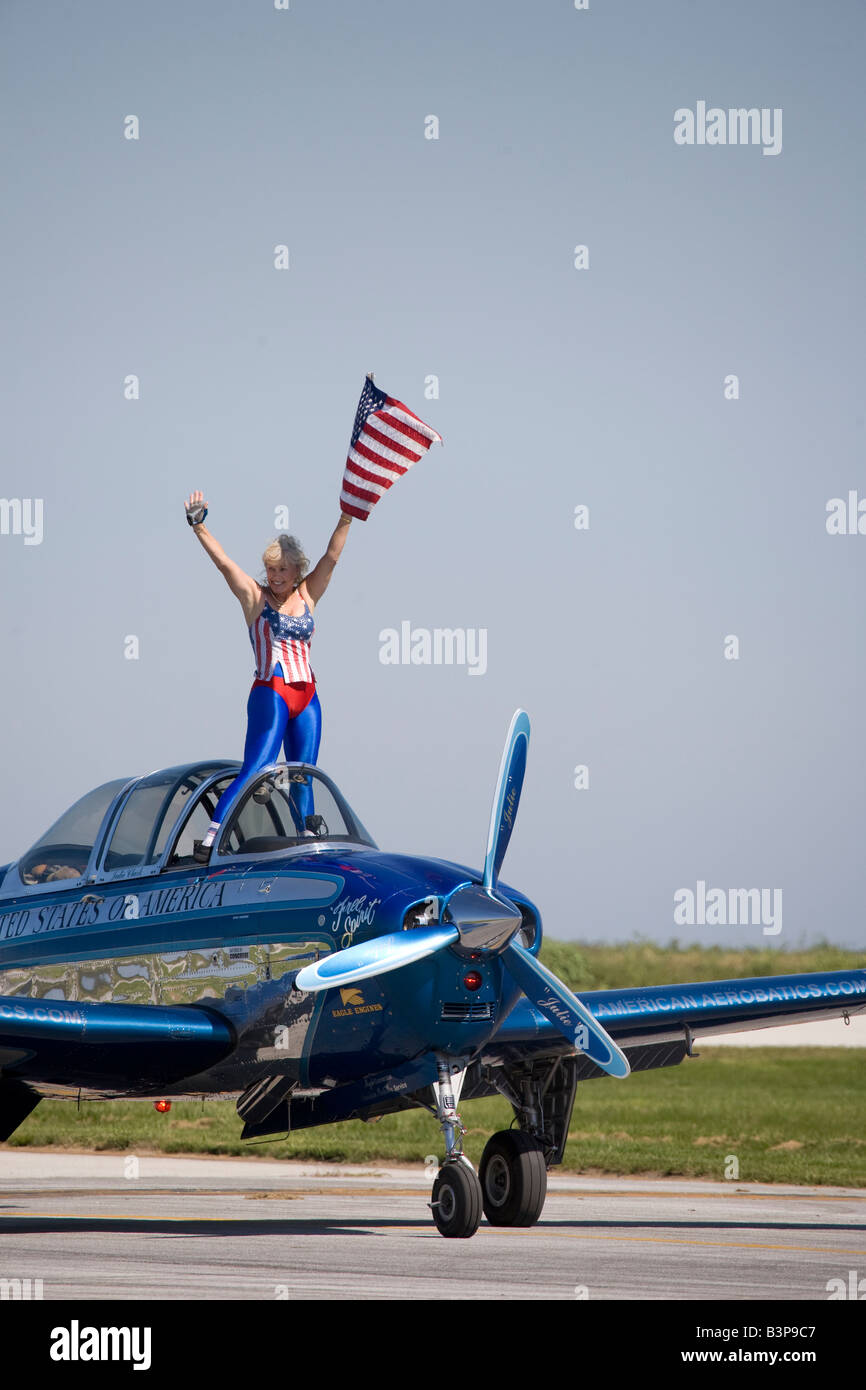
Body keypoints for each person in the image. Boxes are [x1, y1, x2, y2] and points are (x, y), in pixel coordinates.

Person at [184, 490, 352, 860]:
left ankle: (307, 837)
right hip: (270, 692)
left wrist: (347, 517)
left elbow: (333, 556)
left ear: (296, 572)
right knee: (257, 767)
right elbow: (225, 564)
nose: (274, 577)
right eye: (271, 570)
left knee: (303, 772)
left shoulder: (308, 595)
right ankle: (211, 839)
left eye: (282, 570)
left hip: (307, 695)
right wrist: (199, 527)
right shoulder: (255, 598)